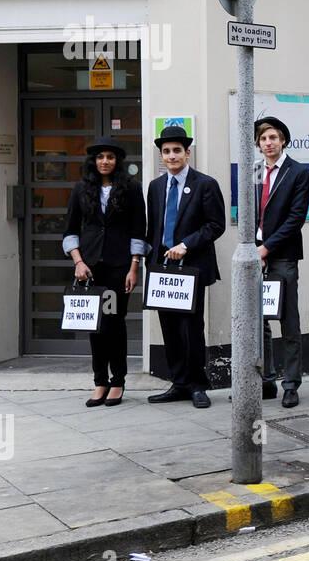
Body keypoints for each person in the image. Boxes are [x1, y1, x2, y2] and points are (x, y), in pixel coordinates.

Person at [145, 126, 226, 409]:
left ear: (187, 153)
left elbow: (216, 225)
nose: (171, 156)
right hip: (162, 270)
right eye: (166, 152)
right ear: (161, 156)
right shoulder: (155, 187)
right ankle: (179, 383)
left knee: (191, 328)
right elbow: (153, 228)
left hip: (191, 267)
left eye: (176, 150)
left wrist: (186, 245)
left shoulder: (205, 184)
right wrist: (149, 261)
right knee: (168, 327)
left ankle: (197, 384)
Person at [62, 137, 147, 407]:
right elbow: (70, 230)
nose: (105, 161)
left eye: (110, 157)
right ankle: (100, 381)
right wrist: (78, 262)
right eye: (100, 157)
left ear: (117, 161)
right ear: (93, 161)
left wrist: (134, 267)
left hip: (119, 266)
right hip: (89, 268)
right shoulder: (81, 189)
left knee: (115, 323)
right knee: (95, 327)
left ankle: (118, 381)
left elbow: (138, 230)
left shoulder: (131, 189)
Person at [253, 116, 309, 408]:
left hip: (283, 256)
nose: (269, 143)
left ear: (283, 141)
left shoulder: (298, 172)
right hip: (254, 256)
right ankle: (267, 381)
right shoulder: (253, 171)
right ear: (258, 143)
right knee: (260, 322)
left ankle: (291, 384)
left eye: (274, 137)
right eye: (264, 139)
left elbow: (296, 219)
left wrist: (266, 249)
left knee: (289, 321)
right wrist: (254, 250)